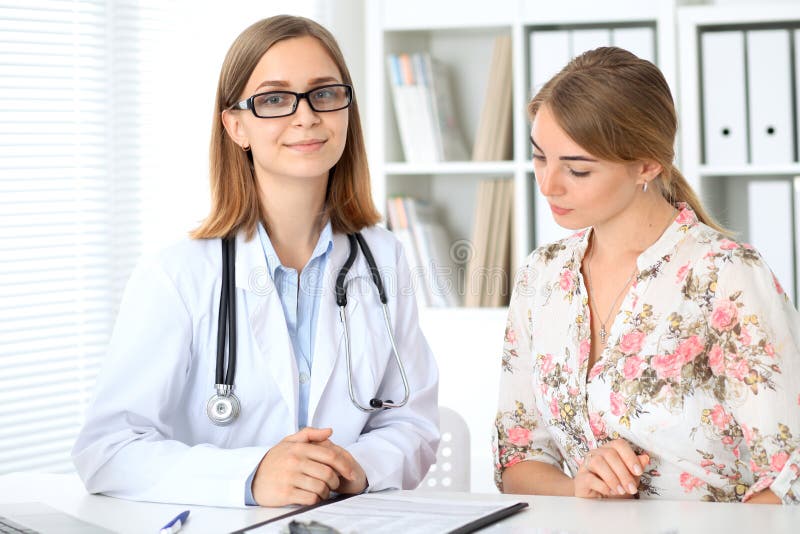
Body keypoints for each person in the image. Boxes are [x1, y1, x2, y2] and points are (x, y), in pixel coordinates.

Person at [72, 15, 439, 508]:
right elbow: (107, 450)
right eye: (274, 99)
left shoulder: (383, 256)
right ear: (235, 125)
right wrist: (252, 475)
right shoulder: (176, 277)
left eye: (324, 93)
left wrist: (355, 466)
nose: (306, 116)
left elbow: (411, 423)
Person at [493, 46, 800, 504]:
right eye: (540, 157)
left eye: (577, 169)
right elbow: (518, 457)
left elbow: (788, 477)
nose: (548, 184)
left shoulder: (726, 276)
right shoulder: (543, 274)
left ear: (647, 165)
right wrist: (579, 487)